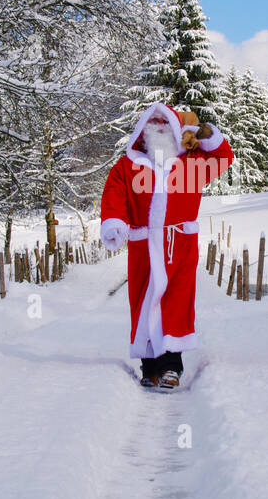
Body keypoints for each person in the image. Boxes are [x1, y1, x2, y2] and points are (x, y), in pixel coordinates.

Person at [100, 103, 234, 389]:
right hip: (143, 247)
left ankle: (172, 366)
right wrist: (114, 223)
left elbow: (224, 157)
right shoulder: (128, 166)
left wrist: (205, 134)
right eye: (154, 123)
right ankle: (149, 367)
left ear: (175, 129)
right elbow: (113, 193)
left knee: (176, 301)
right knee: (145, 303)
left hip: (179, 246)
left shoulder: (192, 164)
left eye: (165, 124)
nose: (159, 127)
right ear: (142, 131)